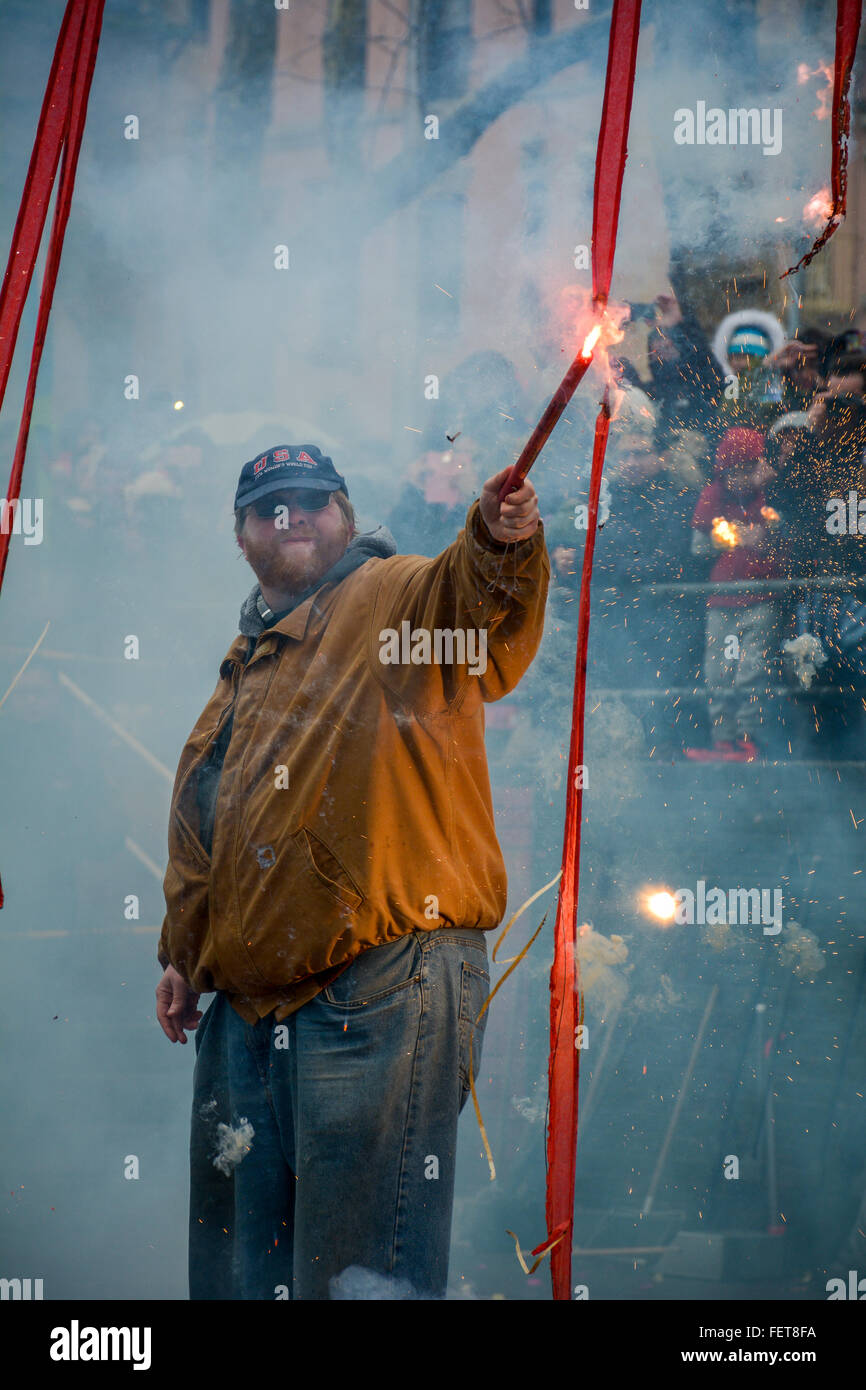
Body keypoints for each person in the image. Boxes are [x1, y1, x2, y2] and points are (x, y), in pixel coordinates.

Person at [155, 442, 549, 1300]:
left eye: (311, 501)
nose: (292, 519)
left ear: (346, 514)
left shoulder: (386, 596)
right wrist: (184, 952)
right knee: (237, 1278)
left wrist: (499, 538)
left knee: (360, 1279)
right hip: (246, 1007)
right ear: (240, 534)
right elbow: (212, 820)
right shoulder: (249, 654)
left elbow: (466, 596)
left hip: (374, 988)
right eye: (270, 508)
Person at [685, 427, 784, 762]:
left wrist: (767, 532)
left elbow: (791, 533)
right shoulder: (713, 495)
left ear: (759, 465)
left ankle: (748, 740)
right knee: (718, 672)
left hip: (762, 596)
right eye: (733, 472)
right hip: (722, 597)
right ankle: (722, 742)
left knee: (751, 671)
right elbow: (697, 548)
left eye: (746, 469)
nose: (739, 479)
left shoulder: (773, 492)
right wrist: (724, 539)